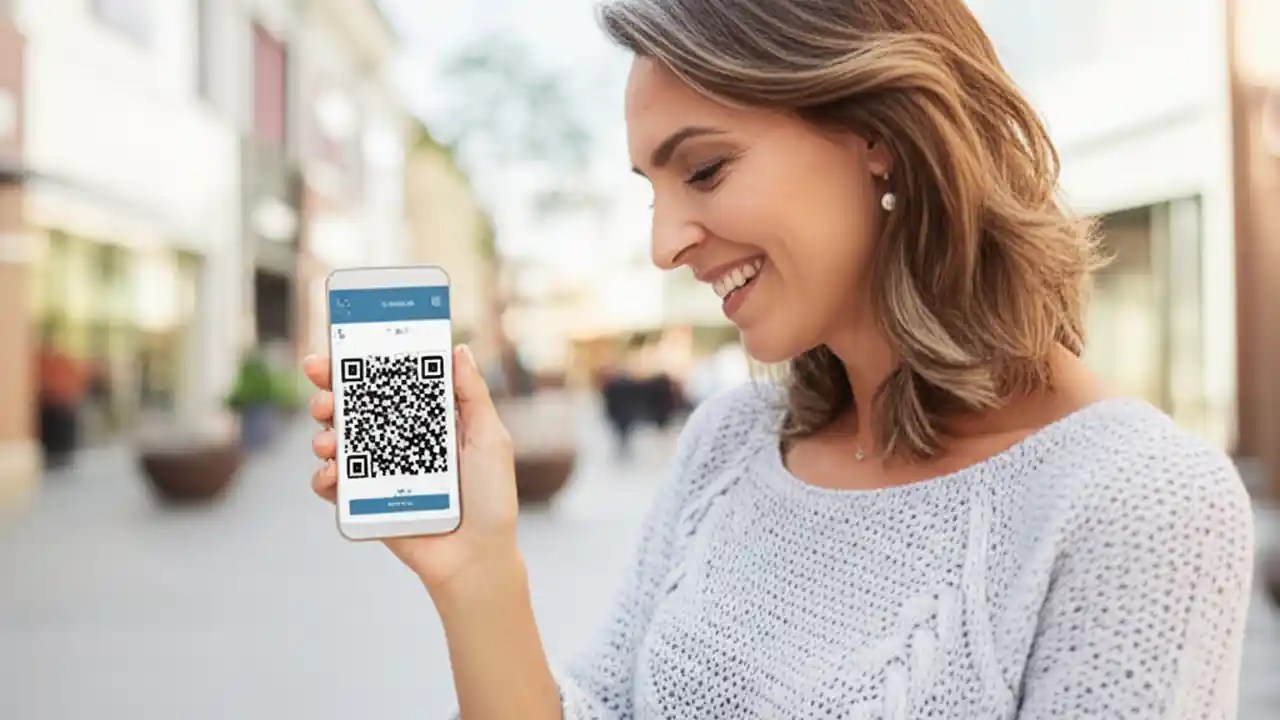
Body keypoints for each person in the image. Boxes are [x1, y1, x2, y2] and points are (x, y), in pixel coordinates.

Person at [302, 1, 1254, 716]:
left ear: (880, 133)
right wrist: (478, 573)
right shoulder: (732, 441)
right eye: (651, 189)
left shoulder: (1140, 501)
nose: (665, 242)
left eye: (706, 170)